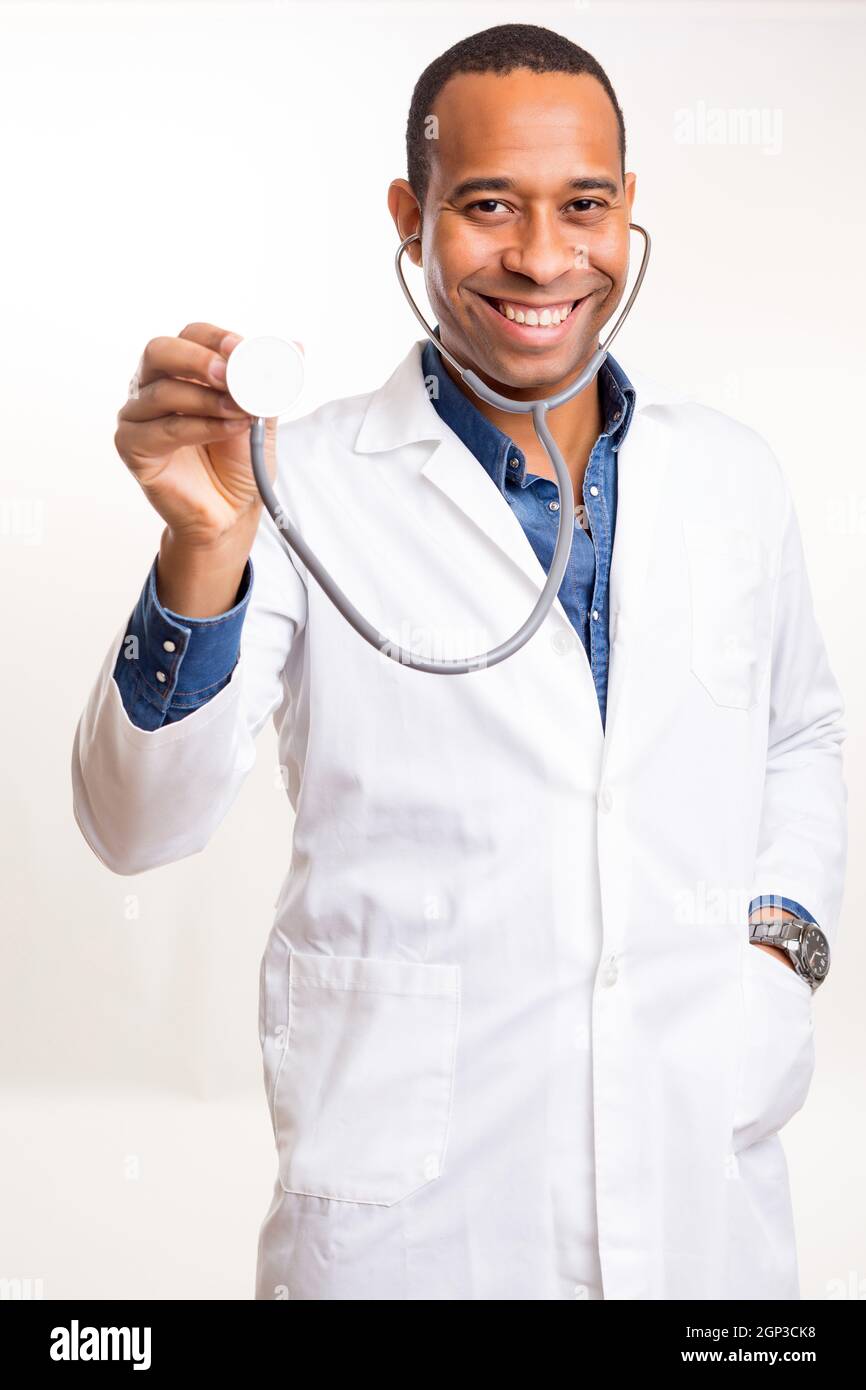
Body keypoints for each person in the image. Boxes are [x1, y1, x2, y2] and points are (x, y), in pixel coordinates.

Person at [71, 23, 847, 1300]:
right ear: (411, 216)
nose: (542, 258)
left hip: (698, 1202)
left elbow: (798, 732)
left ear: (626, 209)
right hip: (413, 1233)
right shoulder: (292, 479)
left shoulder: (730, 476)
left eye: (580, 205)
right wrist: (206, 544)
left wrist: (778, 952)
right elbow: (132, 825)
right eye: (487, 206)